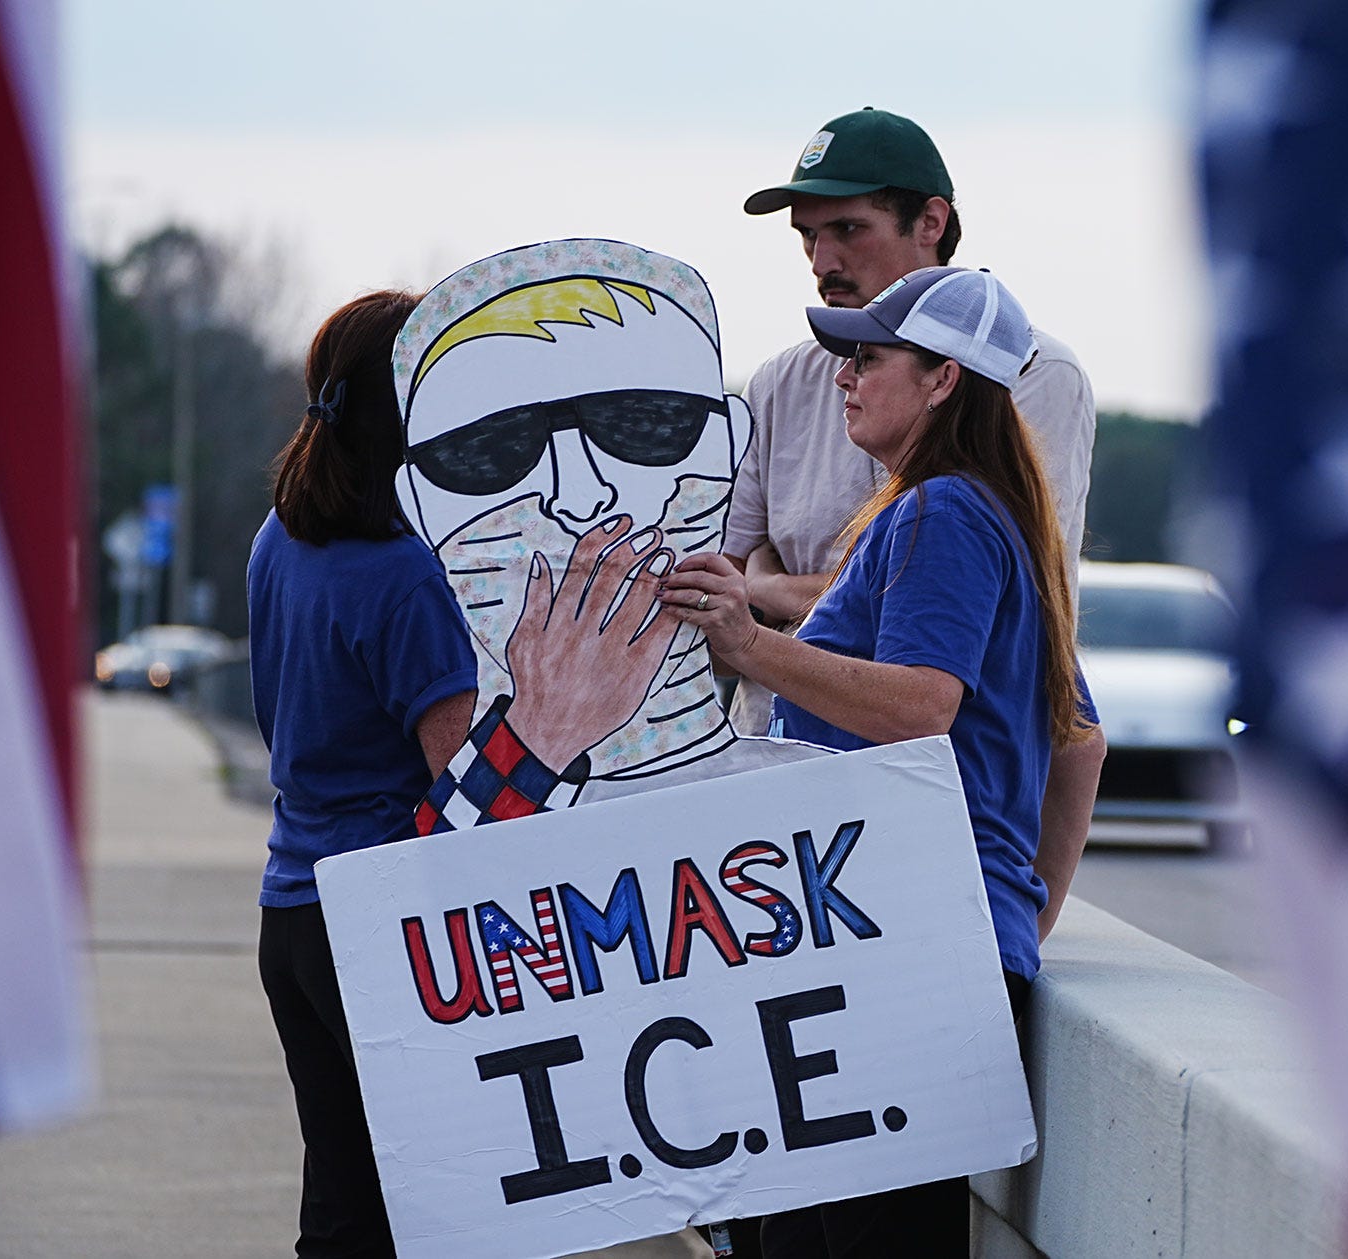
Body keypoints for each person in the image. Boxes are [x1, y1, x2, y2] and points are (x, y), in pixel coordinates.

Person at [665, 267, 1098, 1256]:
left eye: (867, 357)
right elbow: (1082, 739)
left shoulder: (944, 512)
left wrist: (748, 642)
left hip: (909, 948)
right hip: (921, 942)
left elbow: (920, 706)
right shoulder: (989, 514)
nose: (842, 375)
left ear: (943, 379)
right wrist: (1014, 914)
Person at [392, 239, 827, 834]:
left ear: (730, 444)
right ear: (417, 502)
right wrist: (539, 731)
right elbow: (448, 873)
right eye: (489, 453)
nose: (580, 496)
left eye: (642, 424)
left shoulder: (819, 807)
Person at [727, 107, 1097, 735]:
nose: (821, 260)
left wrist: (769, 593)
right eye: (807, 236)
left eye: (848, 228)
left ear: (931, 221)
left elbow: (991, 601)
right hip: (771, 770)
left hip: (936, 778)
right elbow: (716, 593)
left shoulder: (1028, 368)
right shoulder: (777, 381)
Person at [249, 290, 479, 1258]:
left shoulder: (280, 535)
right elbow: (463, 787)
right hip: (383, 923)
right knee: (433, 1215)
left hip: (293, 907)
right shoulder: (404, 575)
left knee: (340, 1210)